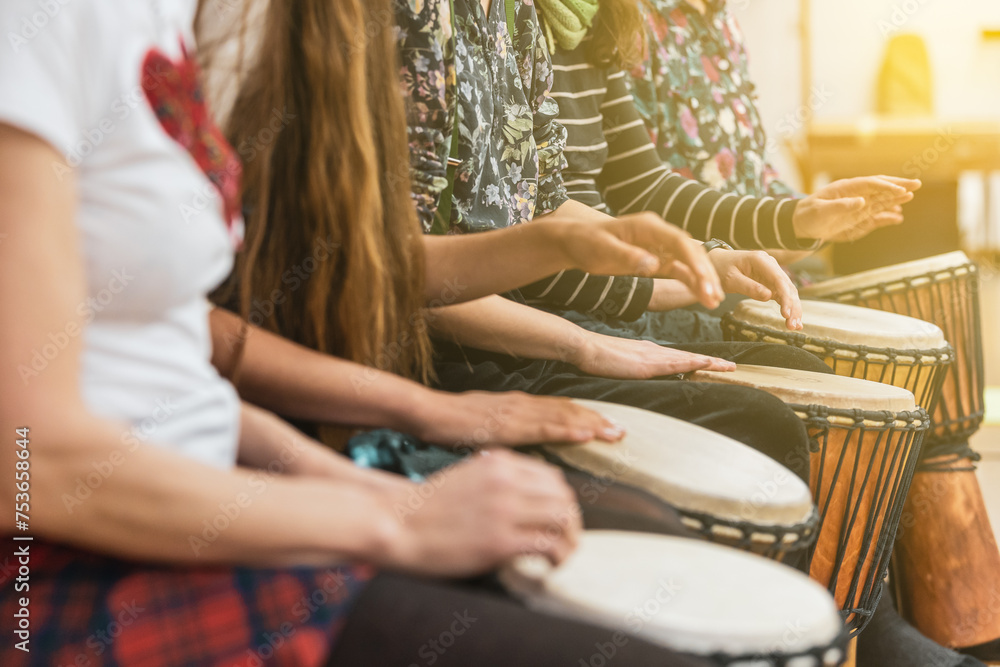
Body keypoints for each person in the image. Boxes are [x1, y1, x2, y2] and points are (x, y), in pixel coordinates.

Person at [0, 1, 729, 664]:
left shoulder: (153, 21)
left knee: (639, 540)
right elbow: (31, 467)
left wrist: (401, 449)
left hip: (204, 490)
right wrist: (395, 516)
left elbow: (181, 350)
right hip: (67, 570)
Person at [622, 2, 984, 666]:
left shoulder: (718, 22)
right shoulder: (629, 24)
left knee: (915, 343)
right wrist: (788, 233)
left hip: (758, 268)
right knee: (833, 386)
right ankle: (863, 626)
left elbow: (752, 180)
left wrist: (813, 217)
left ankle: (936, 608)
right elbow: (641, 204)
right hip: (682, 294)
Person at [535, 0, 917, 345]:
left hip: (687, 271)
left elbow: (735, 172)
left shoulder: (698, 21)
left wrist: (804, 219)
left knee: (899, 326)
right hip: (632, 283)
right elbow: (632, 205)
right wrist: (705, 266)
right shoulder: (635, 23)